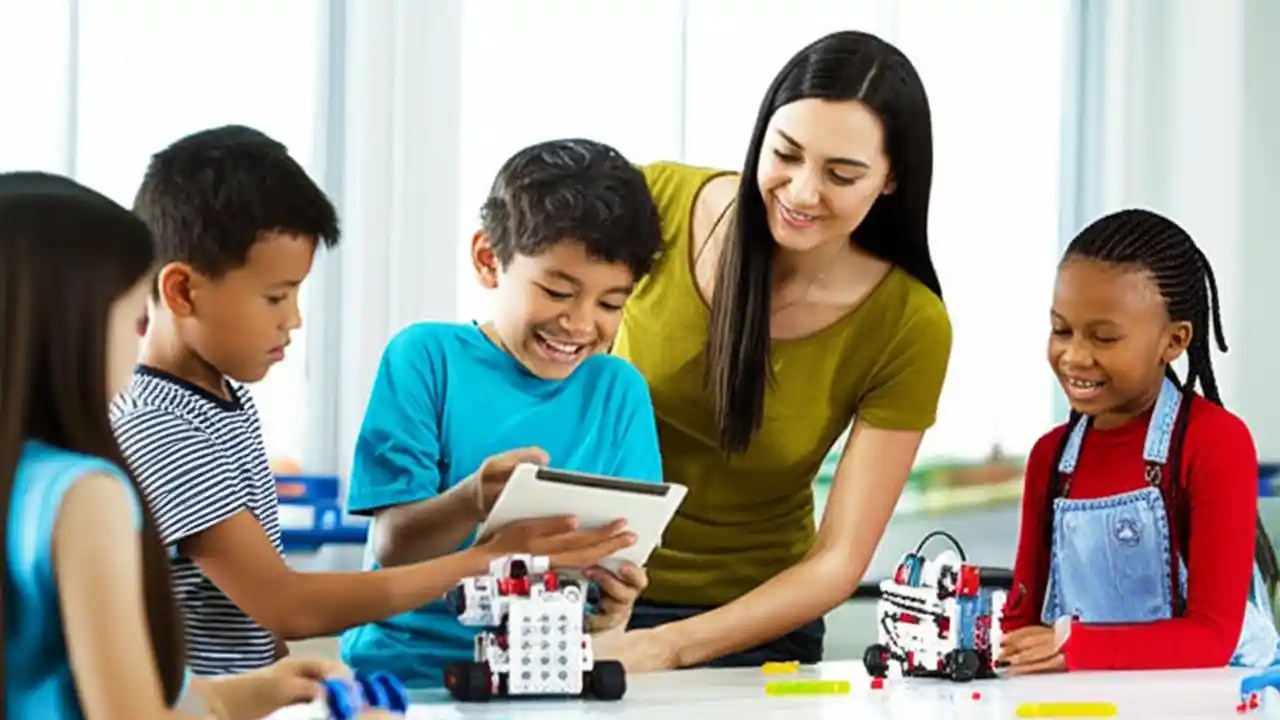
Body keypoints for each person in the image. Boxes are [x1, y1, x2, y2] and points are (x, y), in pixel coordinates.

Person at [108, 126, 637, 677]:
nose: (293, 319)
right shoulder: (162, 428)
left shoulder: (218, 401)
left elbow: (251, 626)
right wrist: (484, 561)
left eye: (296, 294)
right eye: (275, 296)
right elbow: (288, 606)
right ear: (183, 292)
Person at [600, 30, 952, 671]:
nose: (801, 192)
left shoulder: (910, 324)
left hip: (754, 626)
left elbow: (841, 558)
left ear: (893, 177)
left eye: (842, 174)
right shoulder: (656, 203)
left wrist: (664, 646)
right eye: (785, 153)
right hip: (594, 594)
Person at [0, 170, 399, 719]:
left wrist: (269, 687)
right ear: (72, 327)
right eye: (133, 318)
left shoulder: (26, 479)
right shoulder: (82, 493)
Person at [339, 138, 664, 687]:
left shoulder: (619, 390)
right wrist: (471, 499)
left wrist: (615, 608)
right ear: (490, 260)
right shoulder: (426, 358)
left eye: (611, 303)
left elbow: (618, 559)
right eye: (558, 290)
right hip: (408, 672)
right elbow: (393, 546)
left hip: (549, 673)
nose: (581, 324)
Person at [998, 209, 1280, 673]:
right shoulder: (1051, 459)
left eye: (1104, 338)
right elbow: (1022, 619)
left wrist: (1072, 650)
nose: (1073, 356)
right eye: (1060, 329)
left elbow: (1211, 638)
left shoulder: (1215, 443)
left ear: (1174, 341)